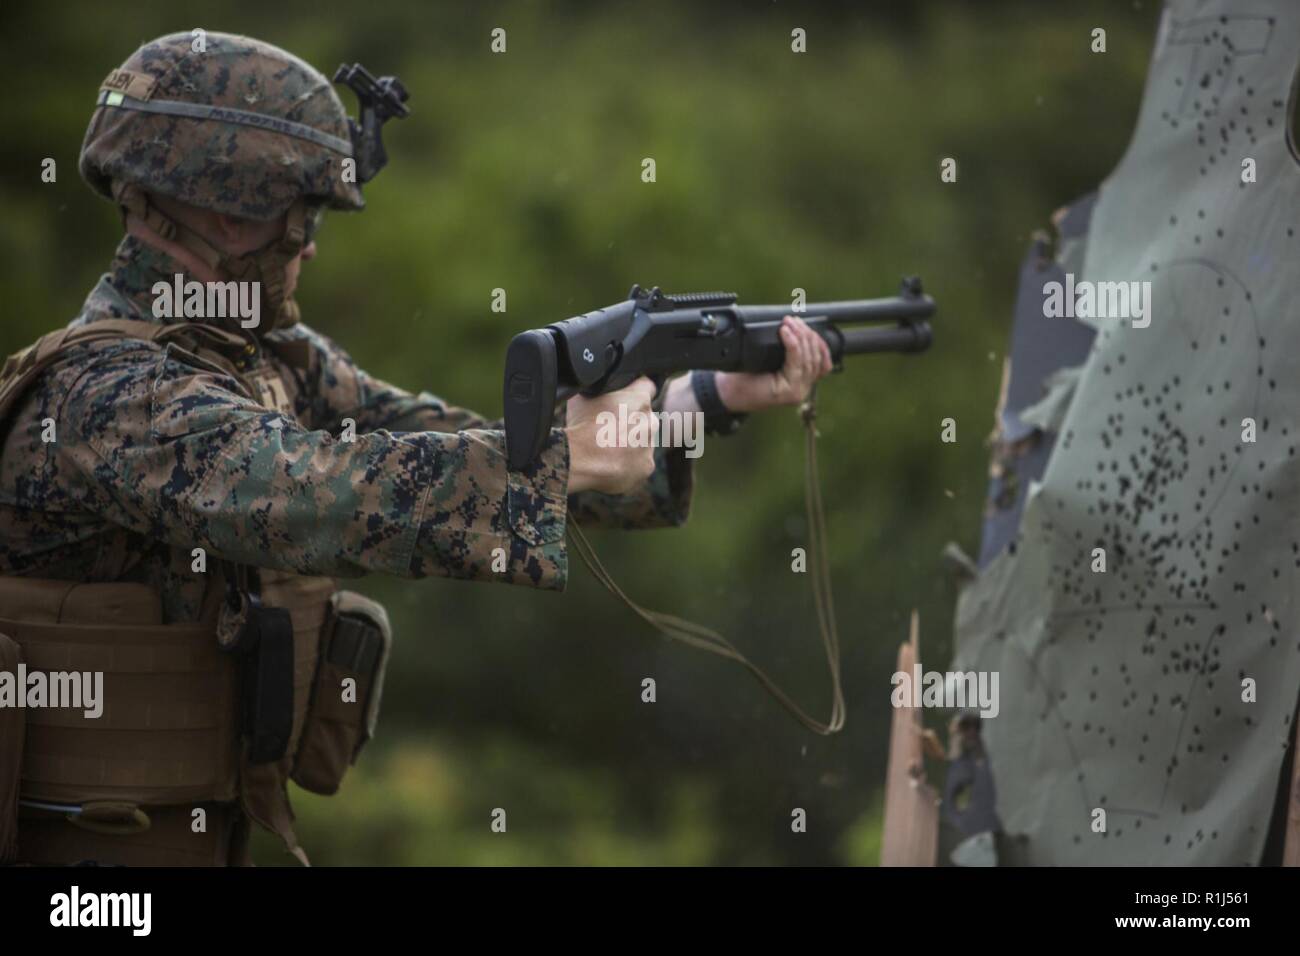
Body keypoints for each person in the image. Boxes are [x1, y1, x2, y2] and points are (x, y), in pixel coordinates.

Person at [0, 31, 831, 866]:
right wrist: (560, 460)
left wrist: (702, 401)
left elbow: (439, 439)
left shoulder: (266, 356)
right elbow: (314, 494)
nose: (313, 243)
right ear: (230, 208)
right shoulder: (103, 397)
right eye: (305, 213)